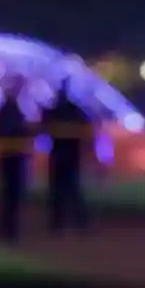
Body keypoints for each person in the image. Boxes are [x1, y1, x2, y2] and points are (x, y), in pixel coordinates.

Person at [43, 79, 93, 232]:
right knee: (72, 190)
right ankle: (78, 222)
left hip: (61, 156)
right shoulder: (76, 111)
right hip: (70, 156)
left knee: (61, 191)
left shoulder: (55, 112)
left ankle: (59, 223)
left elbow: (44, 127)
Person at [0, 79, 32, 242]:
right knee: (11, 194)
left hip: (10, 157)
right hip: (12, 158)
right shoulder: (9, 112)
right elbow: (11, 131)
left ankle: (8, 228)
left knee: (10, 195)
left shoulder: (7, 111)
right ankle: (8, 230)